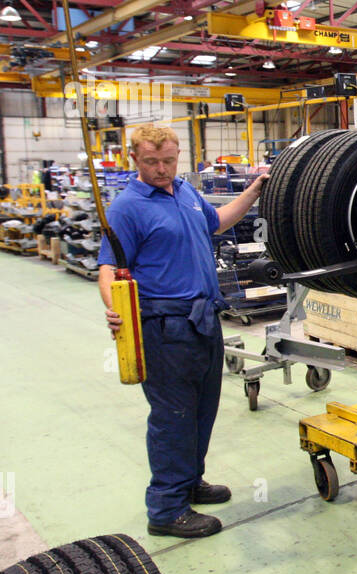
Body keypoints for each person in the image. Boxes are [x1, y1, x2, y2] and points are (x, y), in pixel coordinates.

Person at [98, 125, 268, 539]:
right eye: (152, 162)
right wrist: (115, 308)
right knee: (173, 417)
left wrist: (254, 191)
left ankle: (190, 482)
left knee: (202, 411)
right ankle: (166, 508)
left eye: (169, 160)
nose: (161, 169)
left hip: (204, 319)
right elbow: (108, 268)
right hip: (162, 326)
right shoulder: (127, 208)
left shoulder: (186, 192)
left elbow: (217, 222)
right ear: (134, 159)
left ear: (179, 157)